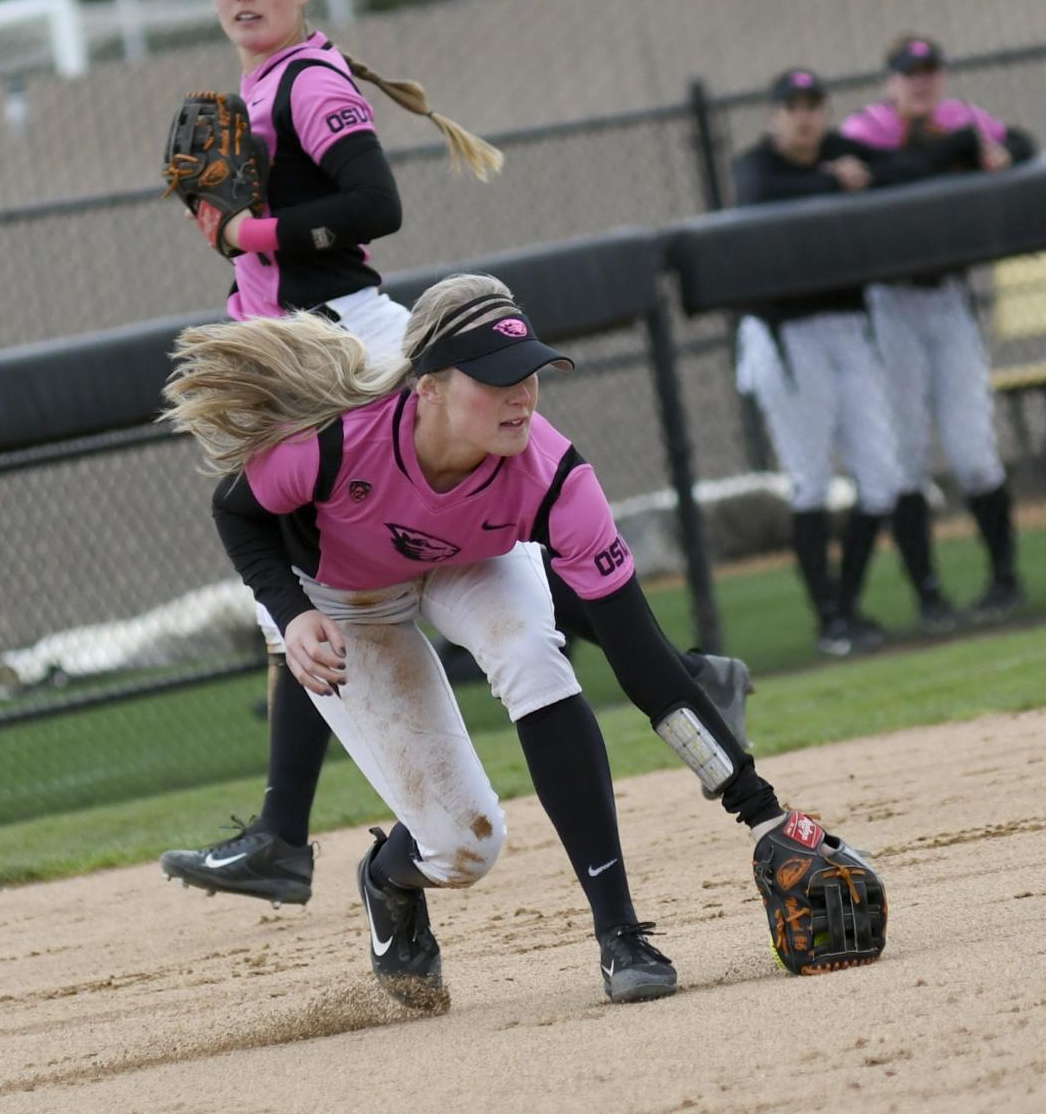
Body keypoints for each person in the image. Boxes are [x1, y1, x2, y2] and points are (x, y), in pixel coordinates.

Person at [159, 0, 753, 908]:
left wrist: (246, 230)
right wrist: (238, 241)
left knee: (406, 539)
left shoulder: (309, 82)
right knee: (314, 569)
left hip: (348, 343)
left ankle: (282, 835)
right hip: (305, 346)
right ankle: (281, 834)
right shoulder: (265, 84)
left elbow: (374, 204)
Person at [160, 272, 880, 1004]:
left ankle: (621, 936)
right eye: (495, 379)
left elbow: (641, 659)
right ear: (429, 387)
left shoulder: (555, 477)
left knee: (534, 654)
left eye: (529, 373)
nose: (522, 397)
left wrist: (762, 810)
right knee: (465, 848)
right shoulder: (338, 443)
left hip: (472, 561)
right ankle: (386, 878)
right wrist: (290, 613)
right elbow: (236, 512)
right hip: (348, 597)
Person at [733, 68, 967, 654]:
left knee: (882, 480)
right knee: (811, 479)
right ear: (775, 115)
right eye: (793, 106)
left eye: (813, 105)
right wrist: (832, 182)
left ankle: (844, 607)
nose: (804, 116)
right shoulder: (759, 163)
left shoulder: (840, 150)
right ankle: (830, 621)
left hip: (847, 326)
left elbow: (901, 169)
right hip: (786, 331)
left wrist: (864, 174)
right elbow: (760, 194)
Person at [840, 34, 1035, 623]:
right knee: (907, 455)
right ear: (891, 79)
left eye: (929, 70)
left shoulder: (958, 116)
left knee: (974, 452)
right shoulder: (867, 127)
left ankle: (1005, 578)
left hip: (948, 299)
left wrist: (995, 153)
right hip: (890, 302)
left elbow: (1021, 142)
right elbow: (890, 169)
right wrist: (957, 148)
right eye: (910, 72)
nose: (921, 81)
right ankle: (928, 594)